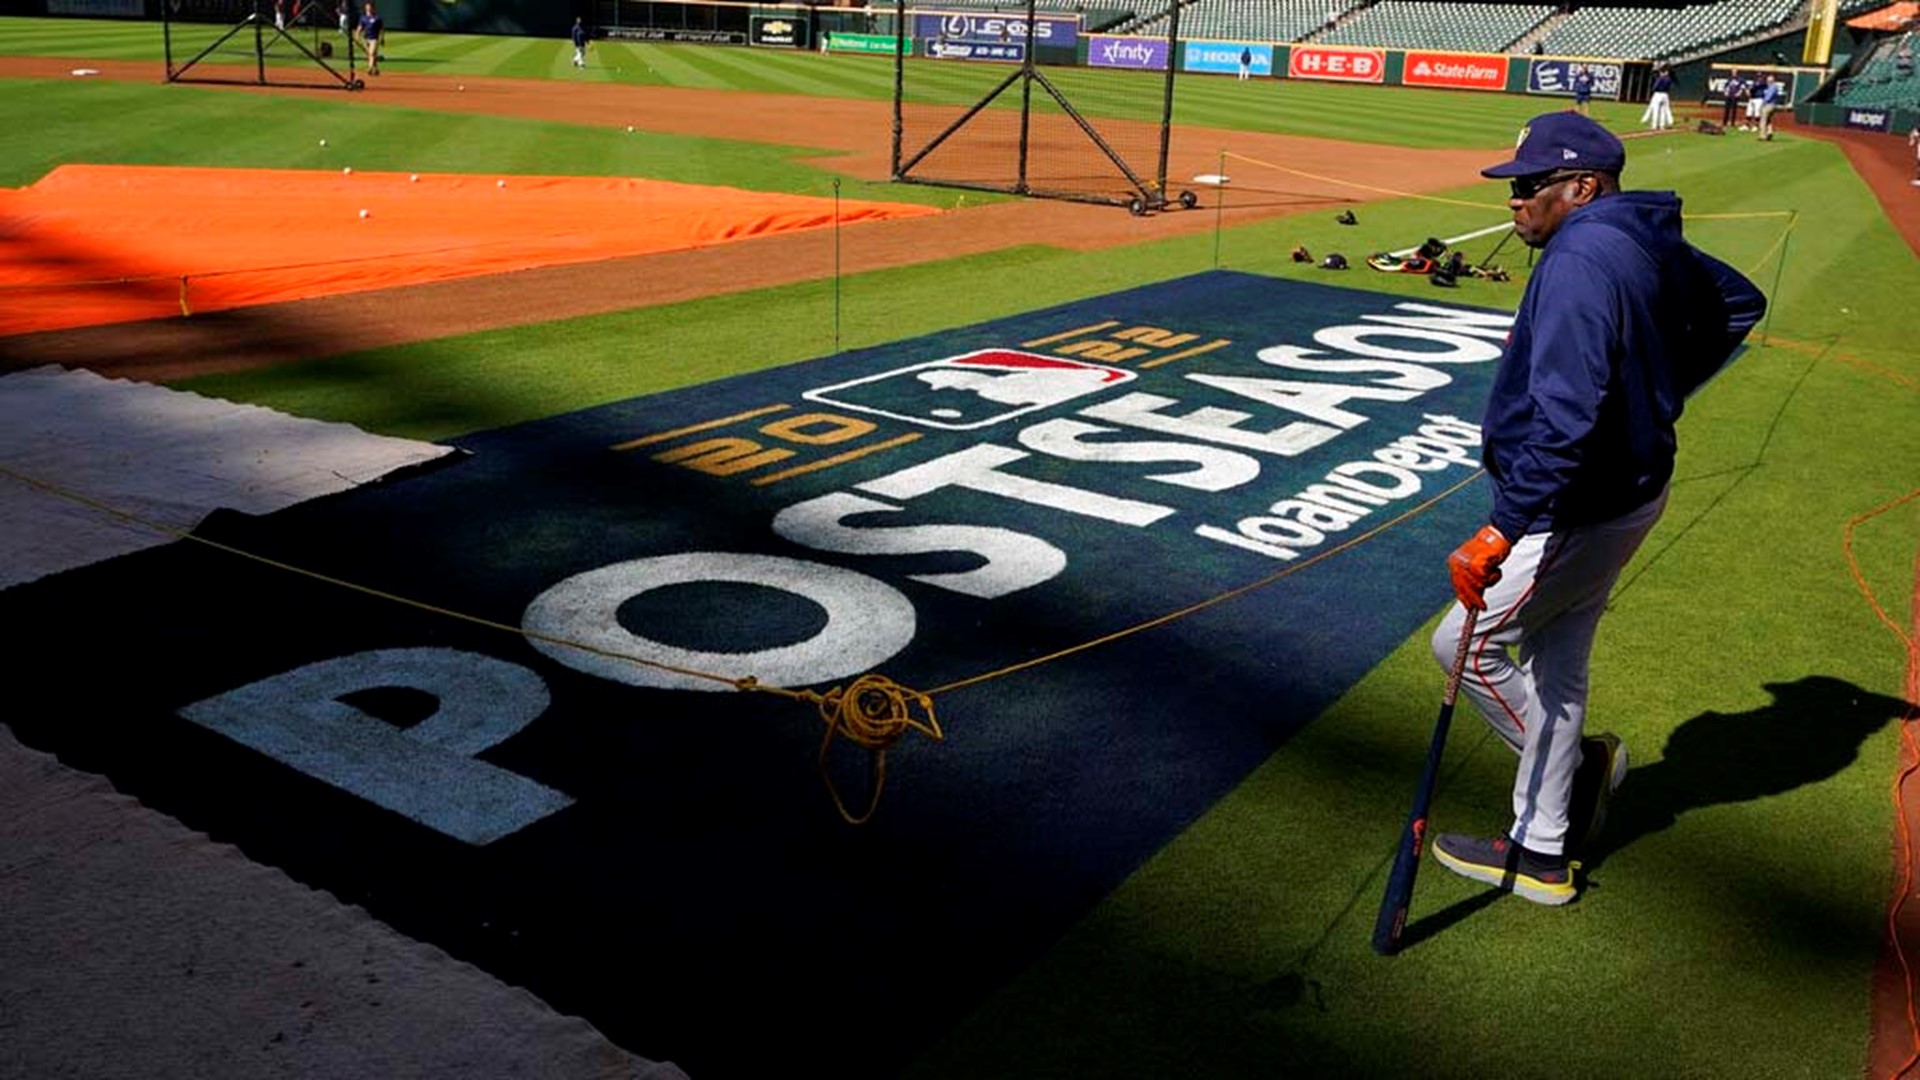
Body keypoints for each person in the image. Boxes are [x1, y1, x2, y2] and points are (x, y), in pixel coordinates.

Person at [1429, 111, 1767, 906]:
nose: (1514, 202)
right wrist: (1654, 395)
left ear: (1582, 187)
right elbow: (1739, 303)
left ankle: (1571, 773)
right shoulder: (1637, 233)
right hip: (1630, 489)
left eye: (1528, 187)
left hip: (1580, 504)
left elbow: (1567, 418)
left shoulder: (1581, 259)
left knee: (1465, 647)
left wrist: (1498, 529)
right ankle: (1542, 852)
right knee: (1559, 662)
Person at [1641, 64, 1673, 130]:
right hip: (1665, 94)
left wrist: (1653, 89)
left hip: (1658, 94)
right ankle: (1662, 125)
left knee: (1656, 110)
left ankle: (1654, 126)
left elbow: (1655, 86)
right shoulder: (1669, 79)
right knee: (1663, 110)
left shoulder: (1660, 78)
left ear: (1662, 72)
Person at [1756, 74, 1783, 140]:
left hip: (1768, 105)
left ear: (1771, 81)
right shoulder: (1773, 87)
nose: (1767, 82)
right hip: (1773, 105)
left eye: (1768, 81)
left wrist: (1763, 104)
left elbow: (1768, 97)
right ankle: (1770, 132)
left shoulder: (1772, 87)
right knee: (1768, 119)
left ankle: (1762, 136)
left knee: (1763, 120)